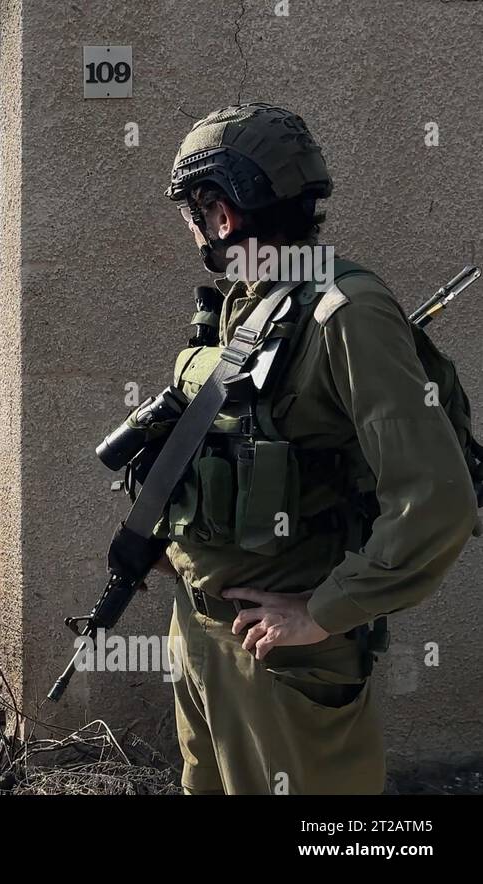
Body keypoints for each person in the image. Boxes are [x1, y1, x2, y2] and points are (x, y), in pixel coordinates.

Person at [161, 103, 478, 794]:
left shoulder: (347, 312)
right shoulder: (250, 303)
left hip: (280, 658)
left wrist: (323, 612)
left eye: (194, 209)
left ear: (222, 214)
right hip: (204, 628)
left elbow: (438, 501)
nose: (189, 227)